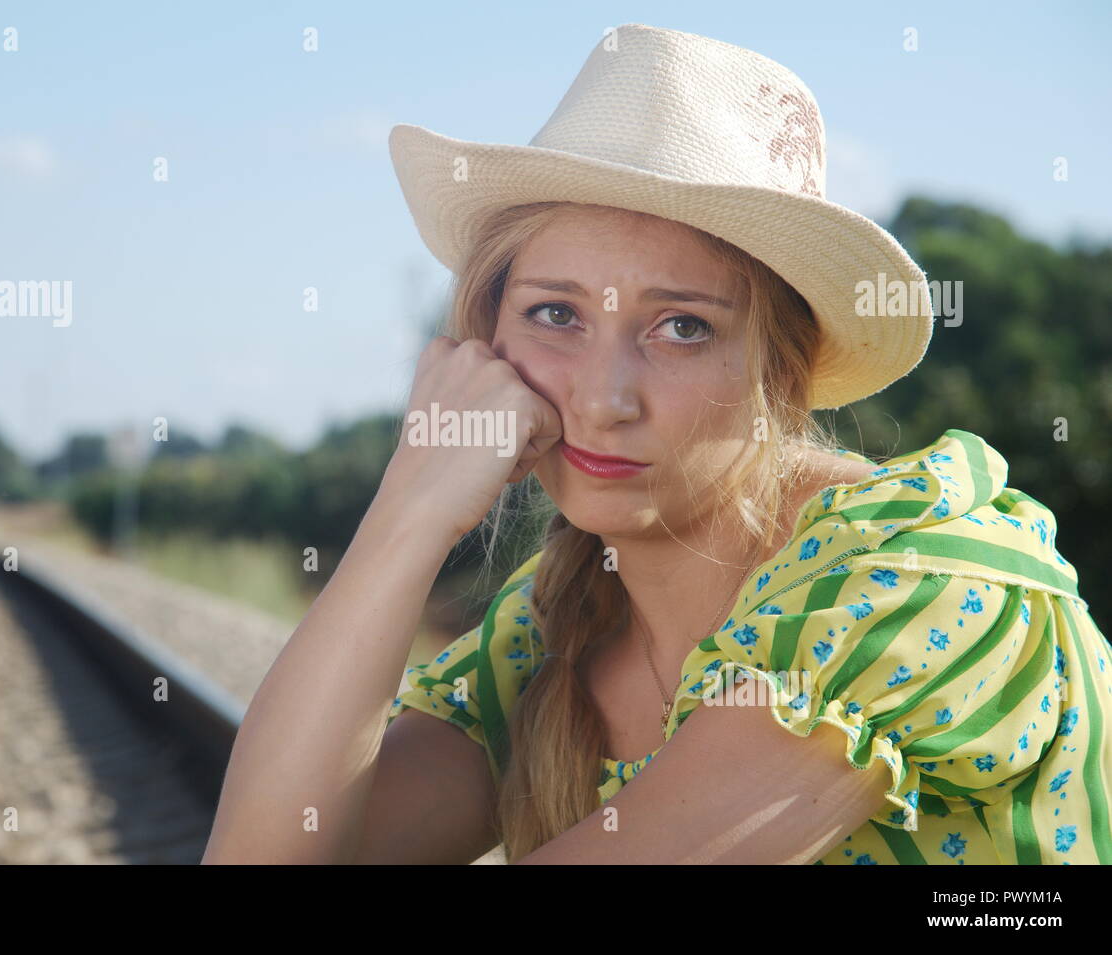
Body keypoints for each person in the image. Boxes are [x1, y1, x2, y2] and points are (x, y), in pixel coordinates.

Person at [202, 23, 1112, 864]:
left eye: (681, 327)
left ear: (780, 368)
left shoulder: (918, 589)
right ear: (486, 344)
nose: (603, 400)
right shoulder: (553, 626)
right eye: (554, 314)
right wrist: (408, 511)